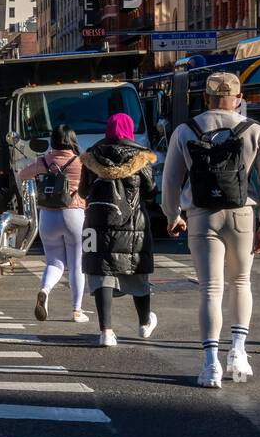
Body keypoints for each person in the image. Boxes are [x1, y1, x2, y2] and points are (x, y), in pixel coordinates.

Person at [161, 72, 260, 388]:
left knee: (210, 289)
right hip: (242, 214)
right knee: (241, 281)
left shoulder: (185, 131)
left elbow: (171, 181)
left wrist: (173, 215)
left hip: (201, 214)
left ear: (205, 98)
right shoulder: (255, 131)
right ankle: (238, 353)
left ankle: (209, 364)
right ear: (240, 98)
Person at [79, 112, 158, 347]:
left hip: (97, 224)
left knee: (102, 273)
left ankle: (106, 331)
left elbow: (83, 193)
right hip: (132, 225)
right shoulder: (140, 158)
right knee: (137, 272)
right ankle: (144, 324)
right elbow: (152, 192)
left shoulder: (92, 157)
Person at [16, 124, 87, 323]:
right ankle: (77, 311)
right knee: (76, 265)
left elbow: (22, 175)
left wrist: (42, 170)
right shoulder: (81, 162)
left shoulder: (44, 161)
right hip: (74, 213)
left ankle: (45, 290)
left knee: (54, 262)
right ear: (72, 140)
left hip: (47, 217)